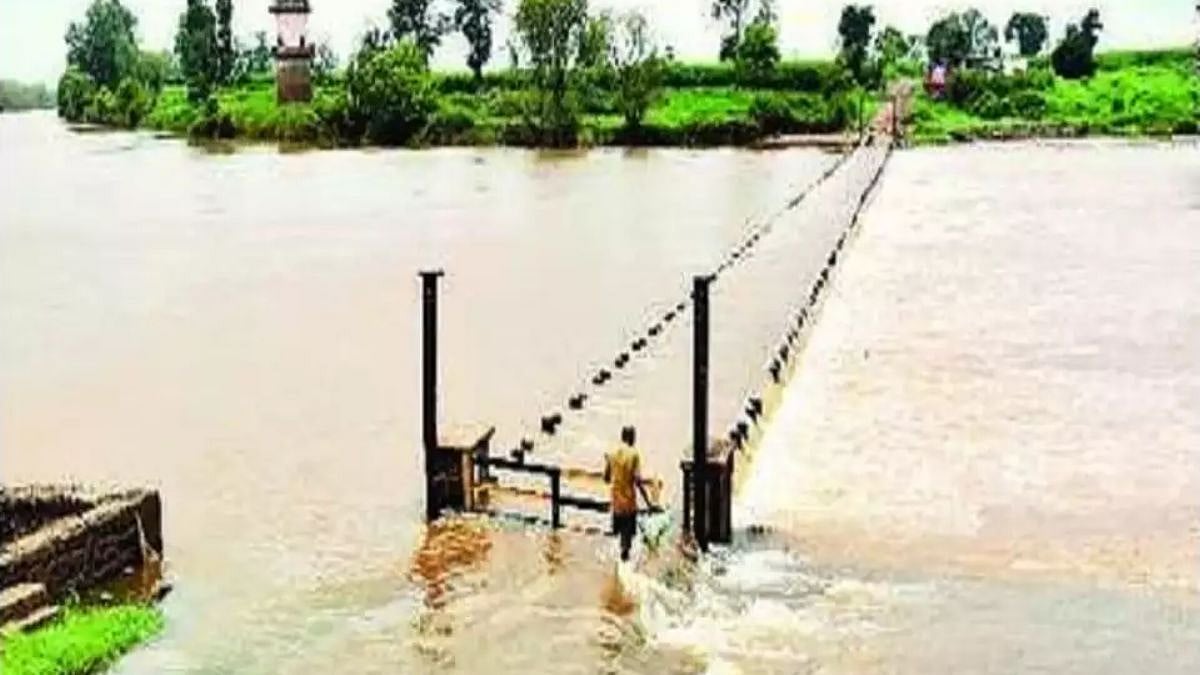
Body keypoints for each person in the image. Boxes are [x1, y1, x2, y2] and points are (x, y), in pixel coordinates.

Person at [604, 426, 643, 562]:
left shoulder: (612, 453)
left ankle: (618, 570)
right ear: (631, 437)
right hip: (629, 503)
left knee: (617, 536)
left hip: (616, 502)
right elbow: (637, 480)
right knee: (627, 543)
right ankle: (625, 569)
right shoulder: (634, 454)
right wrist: (649, 502)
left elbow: (606, 478)